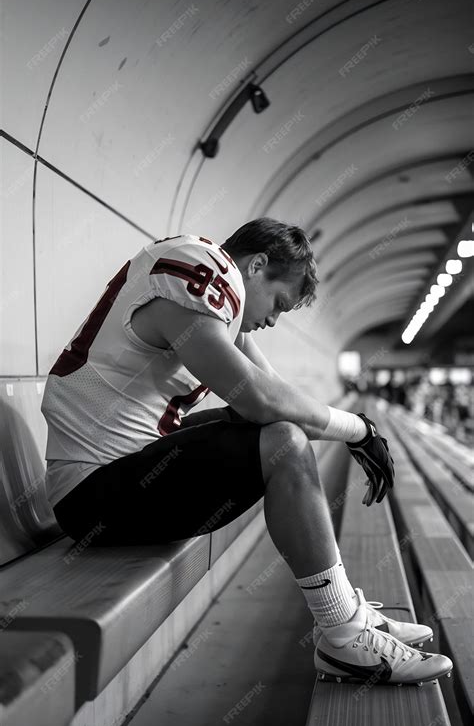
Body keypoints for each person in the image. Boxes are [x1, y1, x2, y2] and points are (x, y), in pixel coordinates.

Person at [41, 217, 452, 686]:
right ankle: (342, 635)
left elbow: (277, 397)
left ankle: (346, 613)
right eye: (279, 302)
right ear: (256, 265)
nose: (275, 319)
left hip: (122, 474)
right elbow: (258, 397)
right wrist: (357, 429)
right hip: (92, 496)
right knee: (281, 443)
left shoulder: (217, 294)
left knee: (278, 432)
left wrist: (355, 430)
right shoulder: (199, 272)